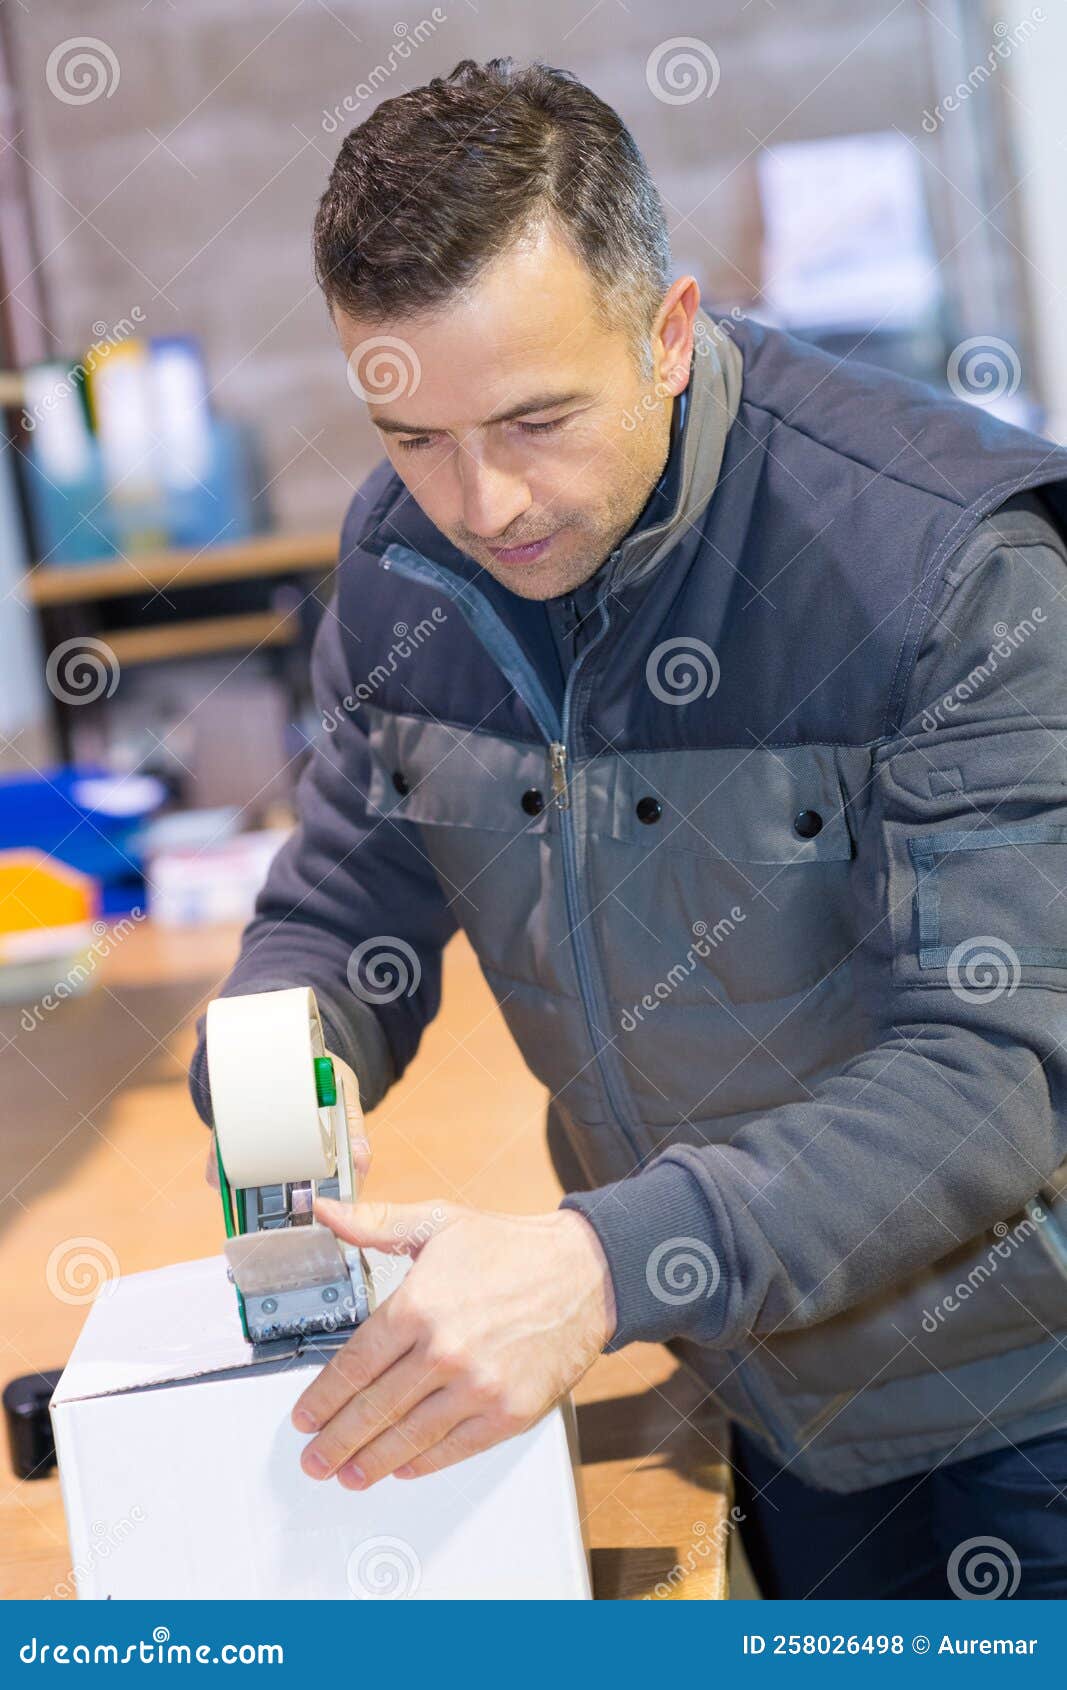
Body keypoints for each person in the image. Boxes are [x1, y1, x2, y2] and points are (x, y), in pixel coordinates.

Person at [190, 57, 1067, 1597]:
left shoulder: (947, 568)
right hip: (747, 1381)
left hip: (1031, 1403)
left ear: (670, 329)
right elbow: (343, 901)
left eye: (536, 419)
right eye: (412, 437)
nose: (485, 502)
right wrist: (280, 1054)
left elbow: (997, 1070)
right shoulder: (409, 568)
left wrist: (601, 1261)